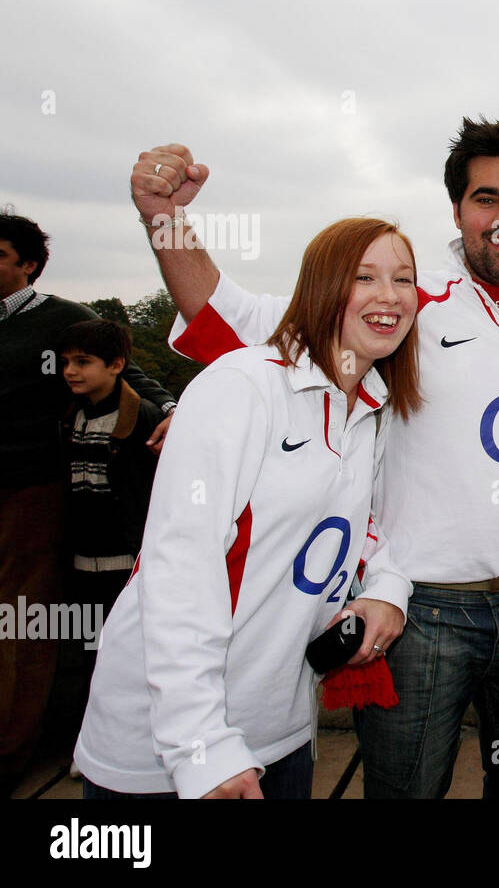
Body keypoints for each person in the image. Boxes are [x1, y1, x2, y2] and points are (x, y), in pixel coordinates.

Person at [130, 119, 499, 798]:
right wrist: (165, 219)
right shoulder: (405, 304)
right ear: (457, 210)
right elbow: (226, 319)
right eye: (486, 199)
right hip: (417, 612)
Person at [74, 214, 419, 798]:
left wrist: (387, 589)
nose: (389, 296)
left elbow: (359, 526)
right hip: (174, 743)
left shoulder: (369, 405)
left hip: (279, 725)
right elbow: (180, 567)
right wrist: (199, 743)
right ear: (318, 287)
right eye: (364, 277)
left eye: (404, 279)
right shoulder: (240, 387)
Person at [0, 213, 175, 798]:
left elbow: (131, 372)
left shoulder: (59, 320)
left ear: (27, 265)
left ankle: (16, 752)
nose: (72, 370)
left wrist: (172, 410)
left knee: (25, 621)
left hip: (33, 493)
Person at [57, 319, 165, 725]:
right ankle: (90, 737)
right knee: (88, 651)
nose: (70, 371)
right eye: (66, 362)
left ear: (116, 365)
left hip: (128, 561)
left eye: (83, 362)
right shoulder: (70, 415)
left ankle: (137, 735)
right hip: (83, 560)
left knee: (131, 655)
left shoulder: (144, 420)